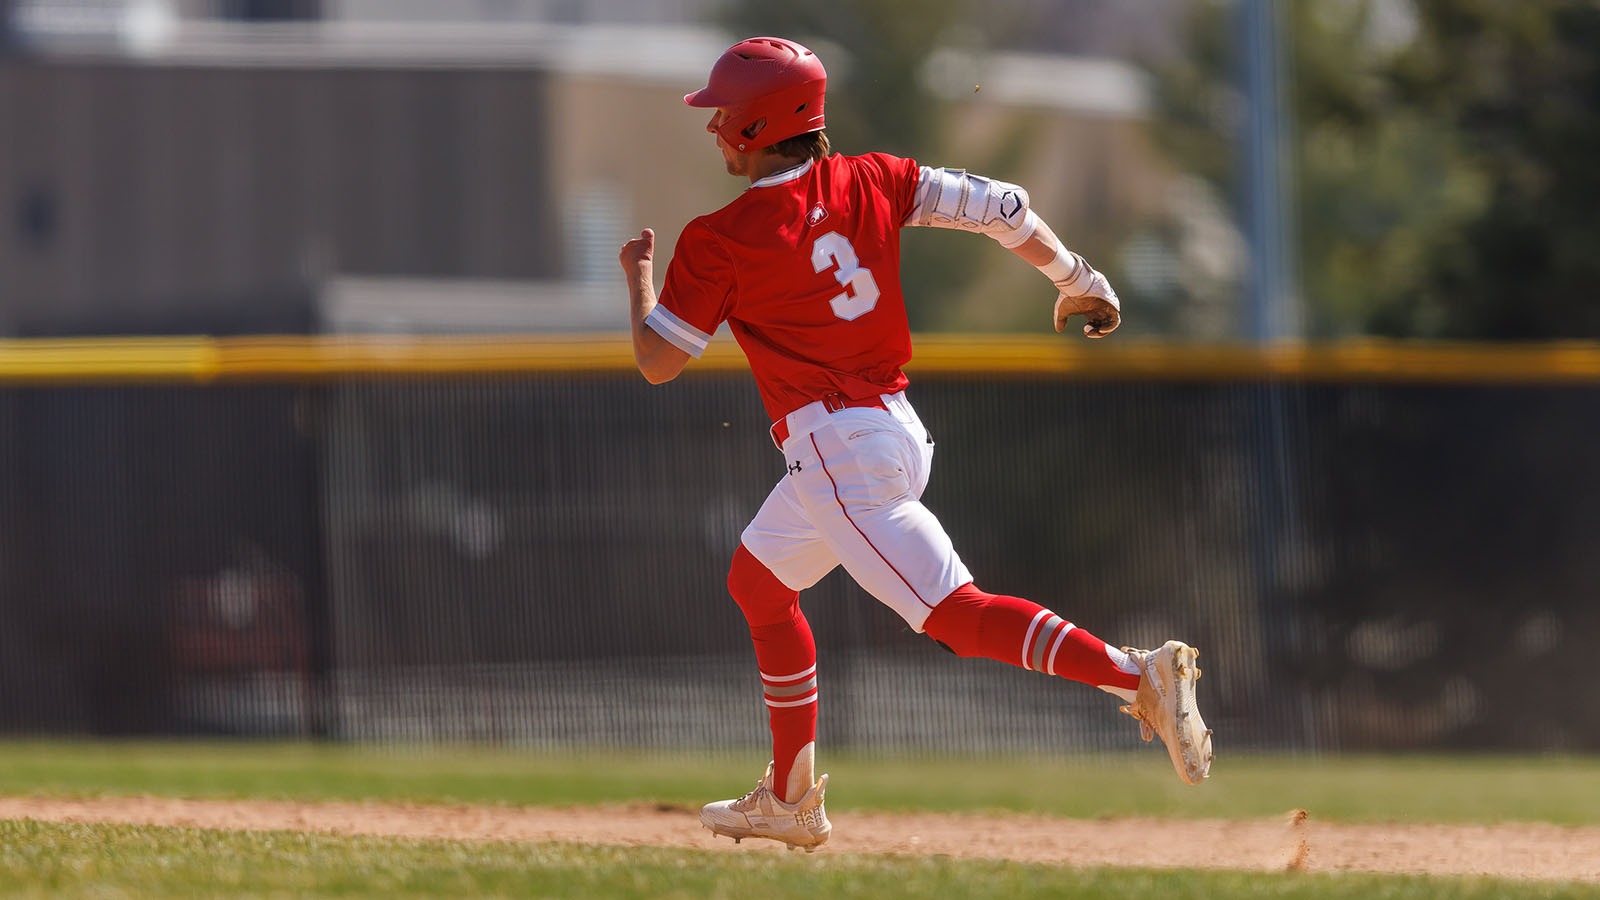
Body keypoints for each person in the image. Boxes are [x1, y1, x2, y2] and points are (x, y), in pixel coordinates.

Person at [619, 36, 1212, 853]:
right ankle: (790, 798)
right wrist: (1076, 277)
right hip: (892, 430)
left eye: (724, 115)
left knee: (954, 617)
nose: (714, 127)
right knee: (758, 582)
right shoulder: (873, 179)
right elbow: (1002, 206)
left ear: (758, 126)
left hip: (837, 450)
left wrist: (638, 285)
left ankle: (1134, 672)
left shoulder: (722, 237)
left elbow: (658, 362)